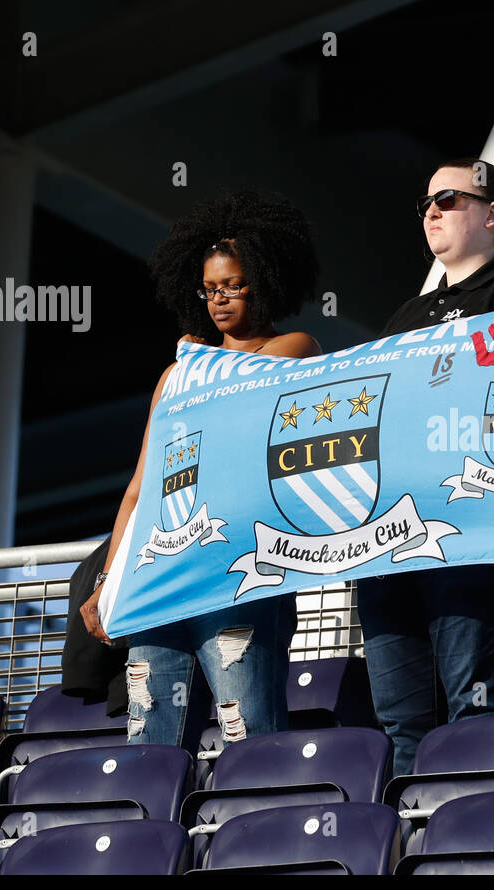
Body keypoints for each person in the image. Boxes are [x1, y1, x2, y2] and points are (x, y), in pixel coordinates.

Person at [79, 190, 322, 751]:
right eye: (210, 288)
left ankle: (260, 831)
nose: (219, 299)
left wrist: (198, 359)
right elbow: (141, 488)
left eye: (233, 284)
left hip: (238, 575)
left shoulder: (293, 346)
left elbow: (249, 388)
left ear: (266, 280)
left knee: (250, 729)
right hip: (161, 577)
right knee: (150, 738)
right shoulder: (176, 374)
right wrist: (108, 579)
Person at [357, 158, 494, 776]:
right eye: (425, 204)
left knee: (476, 704)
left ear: (493, 214)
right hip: (392, 536)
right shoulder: (406, 318)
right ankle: (416, 845)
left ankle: (478, 841)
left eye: (448, 199)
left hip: (476, 531)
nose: (432, 212)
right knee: (399, 717)